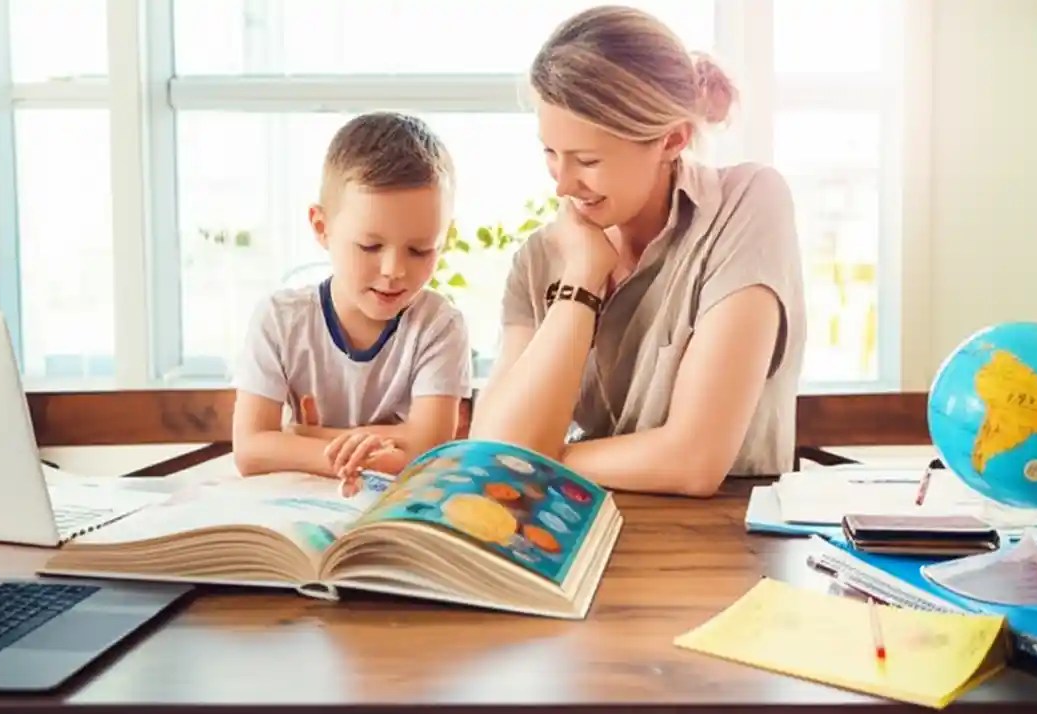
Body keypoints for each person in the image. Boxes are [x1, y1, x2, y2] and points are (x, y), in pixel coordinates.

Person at [470, 5, 807, 497]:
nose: (563, 184)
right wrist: (582, 281)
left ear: (672, 139)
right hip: (580, 534)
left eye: (587, 160)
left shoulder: (748, 204)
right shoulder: (541, 258)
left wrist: (538, 455)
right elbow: (493, 449)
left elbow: (694, 462)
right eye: (550, 153)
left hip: (725, 546)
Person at [231, 111, 472, 493]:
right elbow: (250, 450)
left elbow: (428, 452)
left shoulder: (439, 326)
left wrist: (304, 436)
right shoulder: (278, 320)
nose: (394, 270)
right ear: (321, 228)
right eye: (370, 246)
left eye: (420, 249)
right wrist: (384, 444)